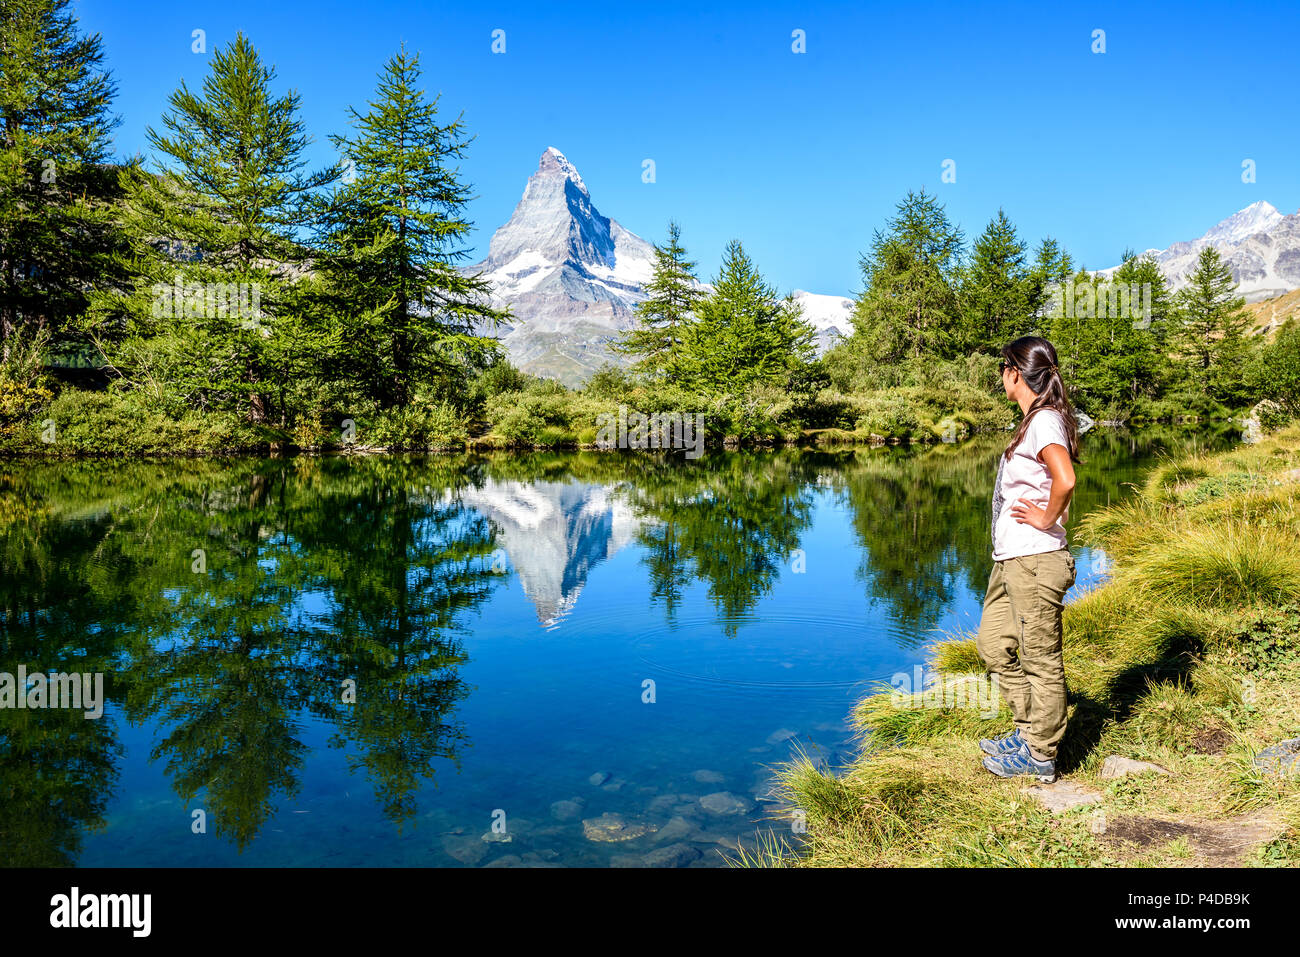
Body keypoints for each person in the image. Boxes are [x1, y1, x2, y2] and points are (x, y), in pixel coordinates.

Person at [976, 335, 1080, 783]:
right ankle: (1029, 730)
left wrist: (1045, 518)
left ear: (1014, 373)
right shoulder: (1034, 421)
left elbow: (1065, 478)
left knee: (1040, 659)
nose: (1000, 376)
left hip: (1036, 560)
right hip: (1012, 560)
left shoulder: (1043, 422)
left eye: (1002, 368)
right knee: (993, 644)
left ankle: (1042, 756)